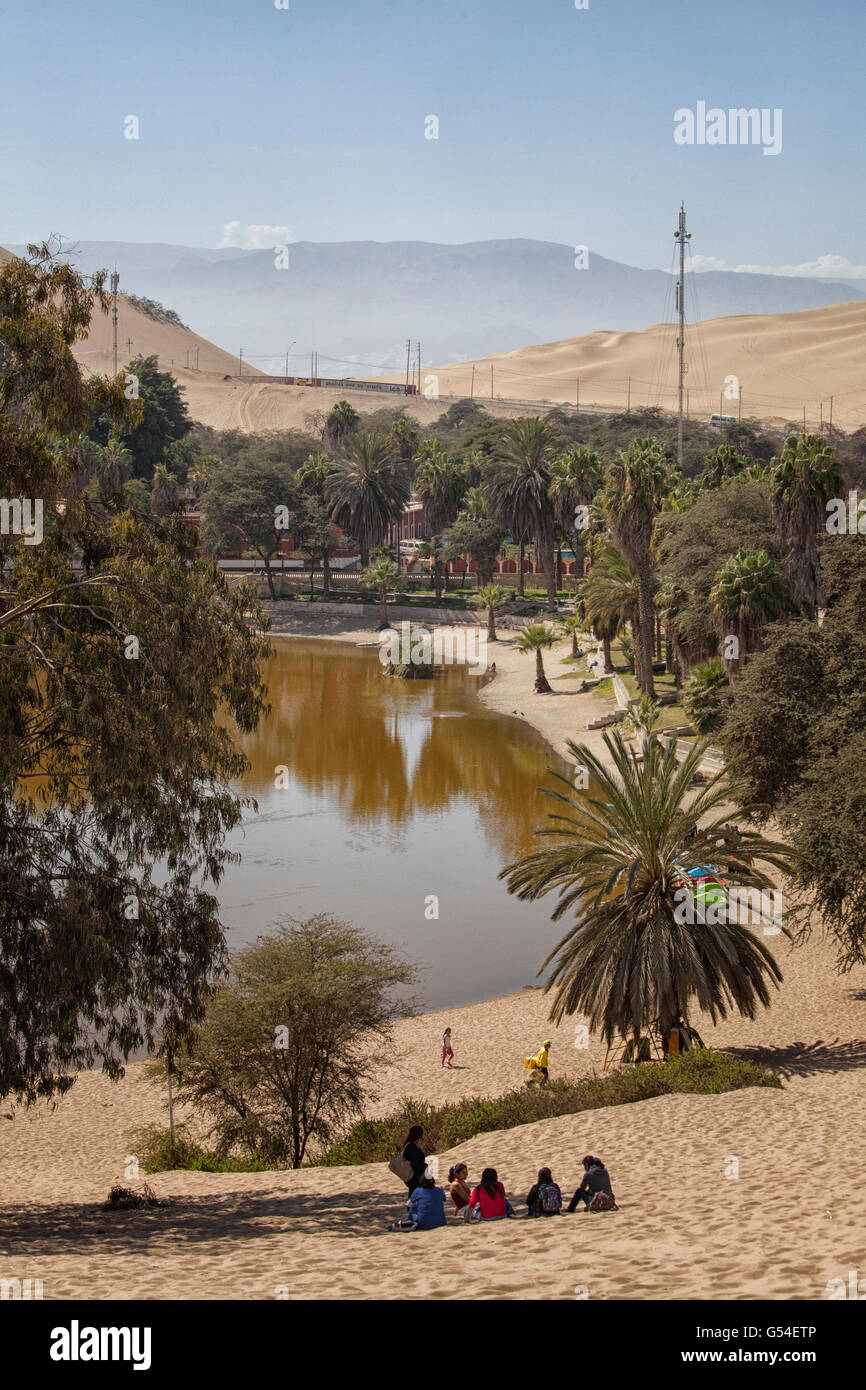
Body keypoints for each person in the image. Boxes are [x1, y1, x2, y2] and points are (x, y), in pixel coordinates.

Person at [401, 1124, 428, 1195]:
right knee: (415, 1195)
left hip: (414, 1176)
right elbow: (415, 1163)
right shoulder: (411, 1146)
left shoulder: (412, 1144)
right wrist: (424, 1167)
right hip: (415, 1177)